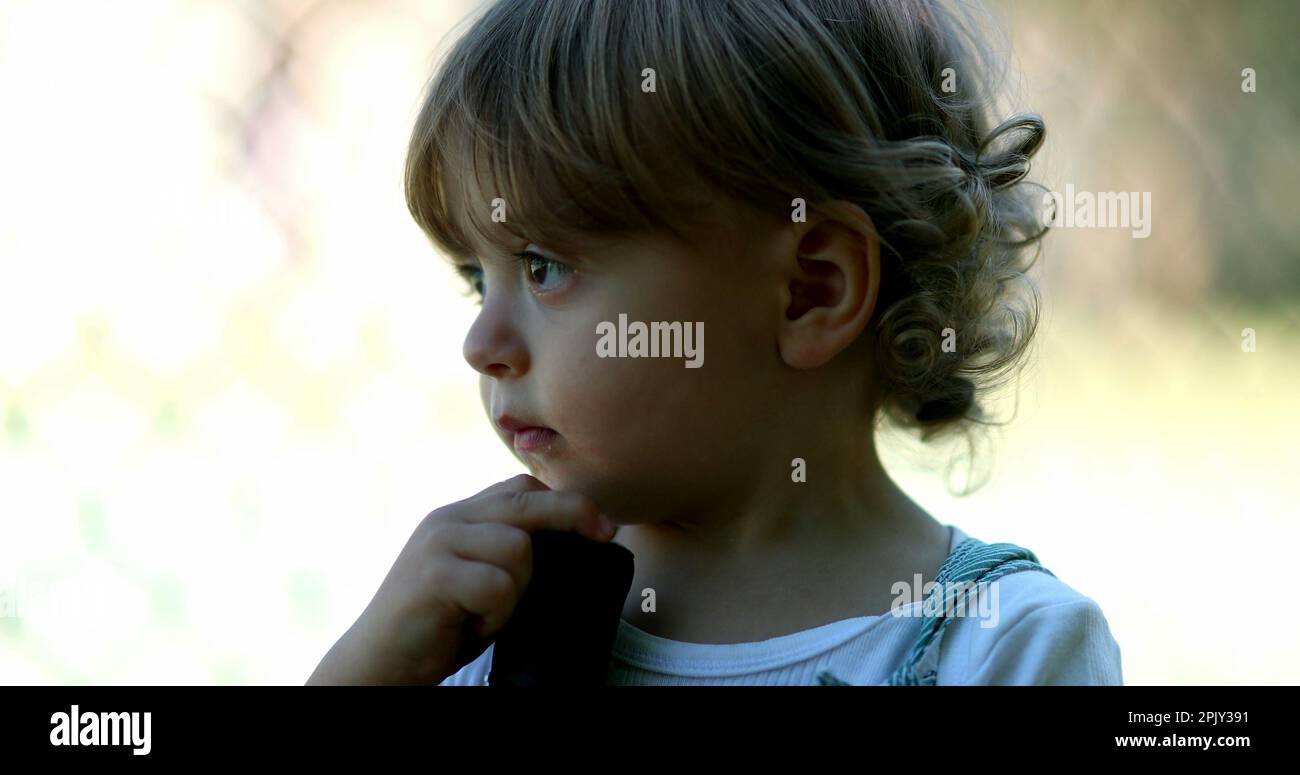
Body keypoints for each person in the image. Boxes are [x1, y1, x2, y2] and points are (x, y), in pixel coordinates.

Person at [307, 0, 1122, 686]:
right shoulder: (490, 612)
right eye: (477, 280)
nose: (481, 342)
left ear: (811, 291)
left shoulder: (1000, 648)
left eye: (545, 266)